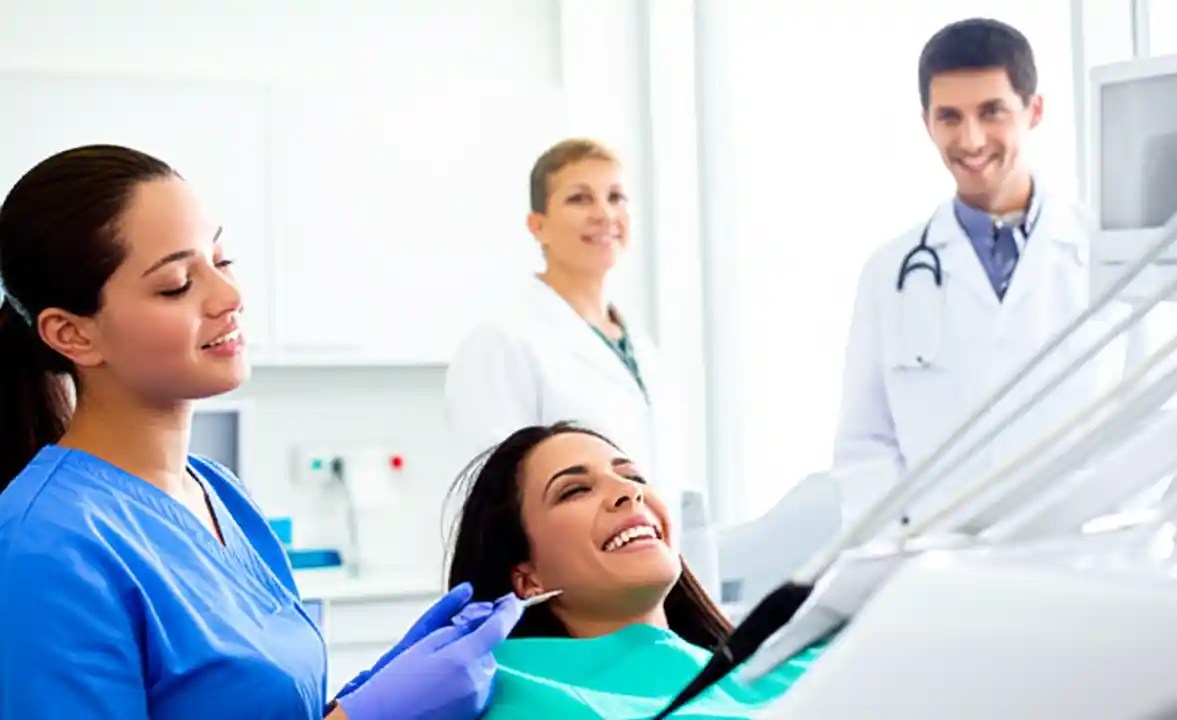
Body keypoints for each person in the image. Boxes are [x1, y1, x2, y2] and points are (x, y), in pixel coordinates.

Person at [0, 144, 523, 719]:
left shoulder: (218, 492)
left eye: (221, 260)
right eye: (177, 283)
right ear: (72, 335)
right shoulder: (46, 547)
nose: (230, 296)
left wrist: (382, 683)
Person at [832, 18, 1128, 530]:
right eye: (950, 117)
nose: (970, 140)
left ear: (1034, 111)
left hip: (1085, 554)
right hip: (939, 562)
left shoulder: (1114, 253)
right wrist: (901, 549)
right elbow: (866, 446)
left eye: (992, 112)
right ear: (927, 123)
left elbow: (1157, 410)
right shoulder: (888, 274)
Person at [444, 422, 823, 718]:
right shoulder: (509, 695)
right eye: (575, 490)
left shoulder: (793, 667)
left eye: (635, 477)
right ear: (528, 579)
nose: (630, 491)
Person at [442, 138, 694, 532]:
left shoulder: (642, 351)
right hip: (567, 565)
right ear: (537, 226)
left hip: (646, 555)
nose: (604, 214)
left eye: (616, 197)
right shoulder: (503, 343)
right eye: (580, 199)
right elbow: (490, 501)